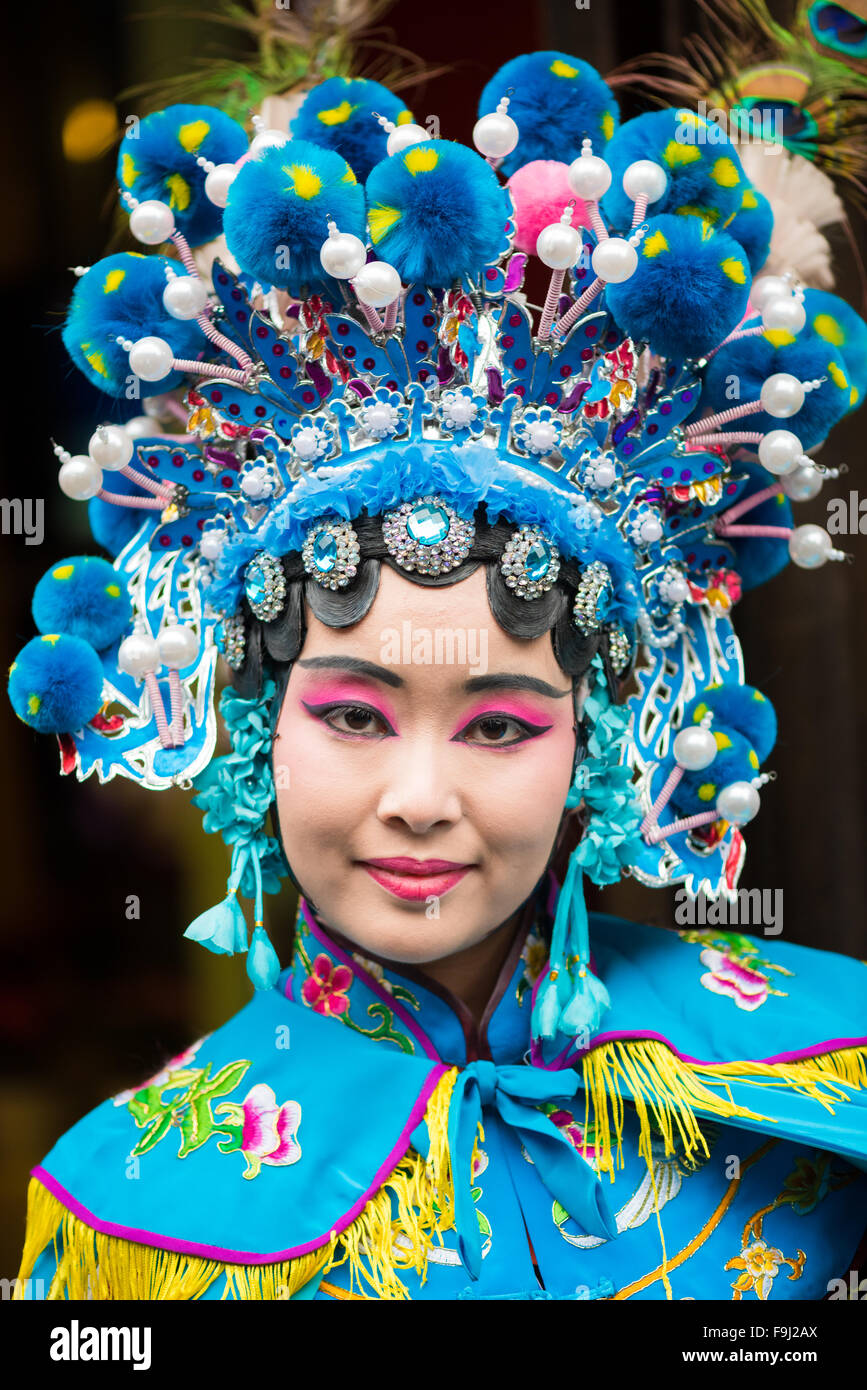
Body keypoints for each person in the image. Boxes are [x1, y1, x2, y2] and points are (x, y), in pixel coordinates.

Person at [9, 47, 867, 1301]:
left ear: (601, 746)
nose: (420, 796)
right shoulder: (128, 1219)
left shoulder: (827, 1085)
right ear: (260, 732)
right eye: (355, 712)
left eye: (501, 727)